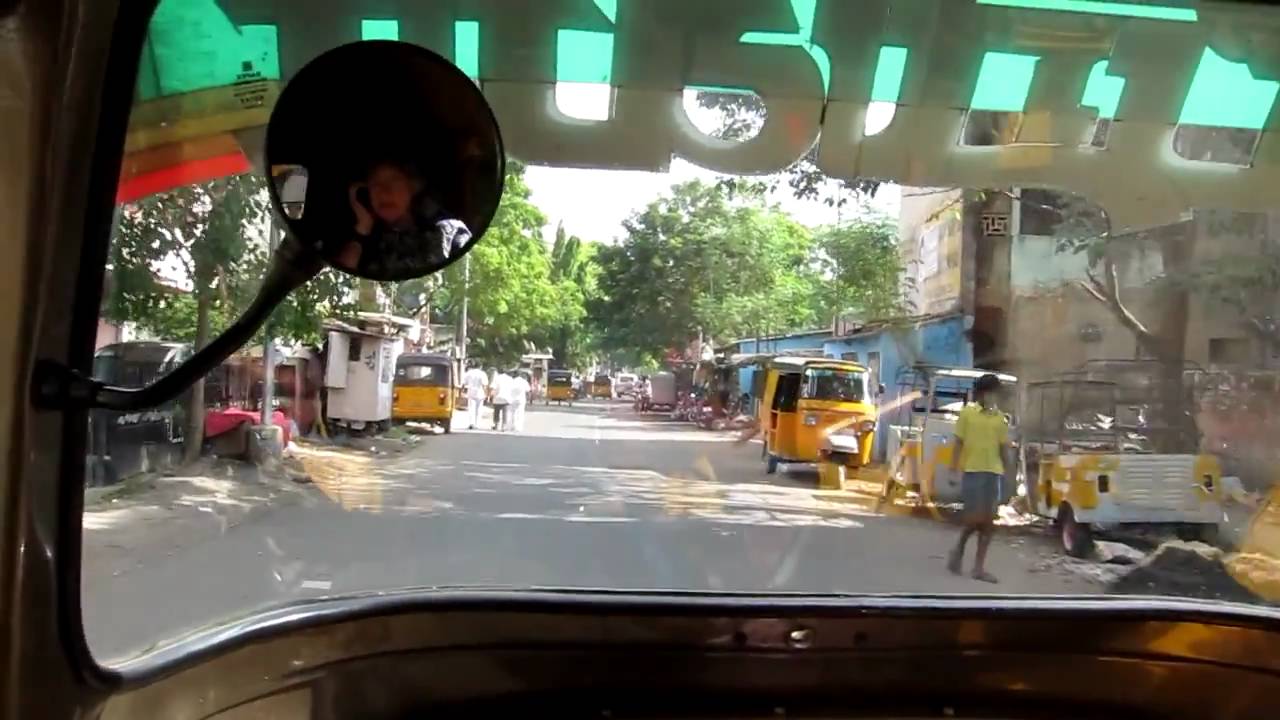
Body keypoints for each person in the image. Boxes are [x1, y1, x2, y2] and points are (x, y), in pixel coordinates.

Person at [338, 159, 472, 278]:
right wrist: (362, 229)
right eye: (375, 183)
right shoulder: (366, 247)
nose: (384, 191)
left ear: (413, 187)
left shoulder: (450, 232)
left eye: (394, 180)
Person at [946, 373, 1011, 584]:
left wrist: (1010, 475)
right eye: (990, 392)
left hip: (993, 473)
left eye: (995, 393)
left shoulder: (1000, 419)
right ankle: (959, 549)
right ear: (981, 393)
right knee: (974, 520)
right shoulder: (967, 414)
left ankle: (978, 567)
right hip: (973, 472)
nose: (993, 397)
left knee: (989, 522)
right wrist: (952, 470)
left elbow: (1003, 448)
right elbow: (958, 444)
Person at [461, 360, 489, 430]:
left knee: (471, 409)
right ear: (480, 366)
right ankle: (477, 424)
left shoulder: (469, 373)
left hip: (471, 392)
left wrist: (462, 391)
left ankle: (471, 423)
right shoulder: (482, 374)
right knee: (479, 409)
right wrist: (486, 394)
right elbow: (484, 385)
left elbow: (464, 383)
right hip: (480, 393)